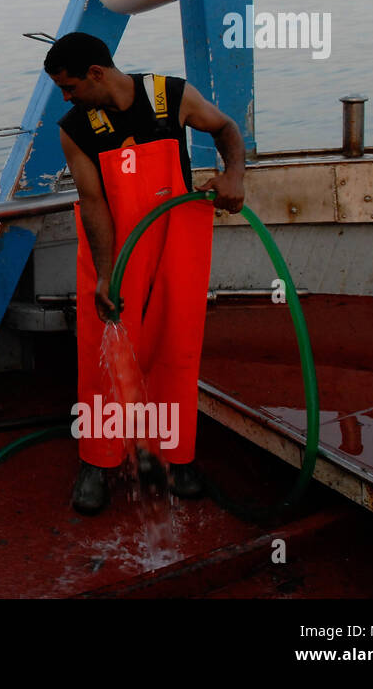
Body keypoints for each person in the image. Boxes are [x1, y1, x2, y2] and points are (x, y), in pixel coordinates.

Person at [44, 32, 245, 515]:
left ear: (96, 72)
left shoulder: (171, 96)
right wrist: (107, 275)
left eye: (69, 86)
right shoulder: (75, 127)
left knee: (174, 350)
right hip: (115, 251)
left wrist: (235, 173)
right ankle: (98, 461)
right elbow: (93, 203)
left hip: (175, 244)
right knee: (104, 356)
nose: (65, 97)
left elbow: (225, 128)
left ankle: (173, 458)